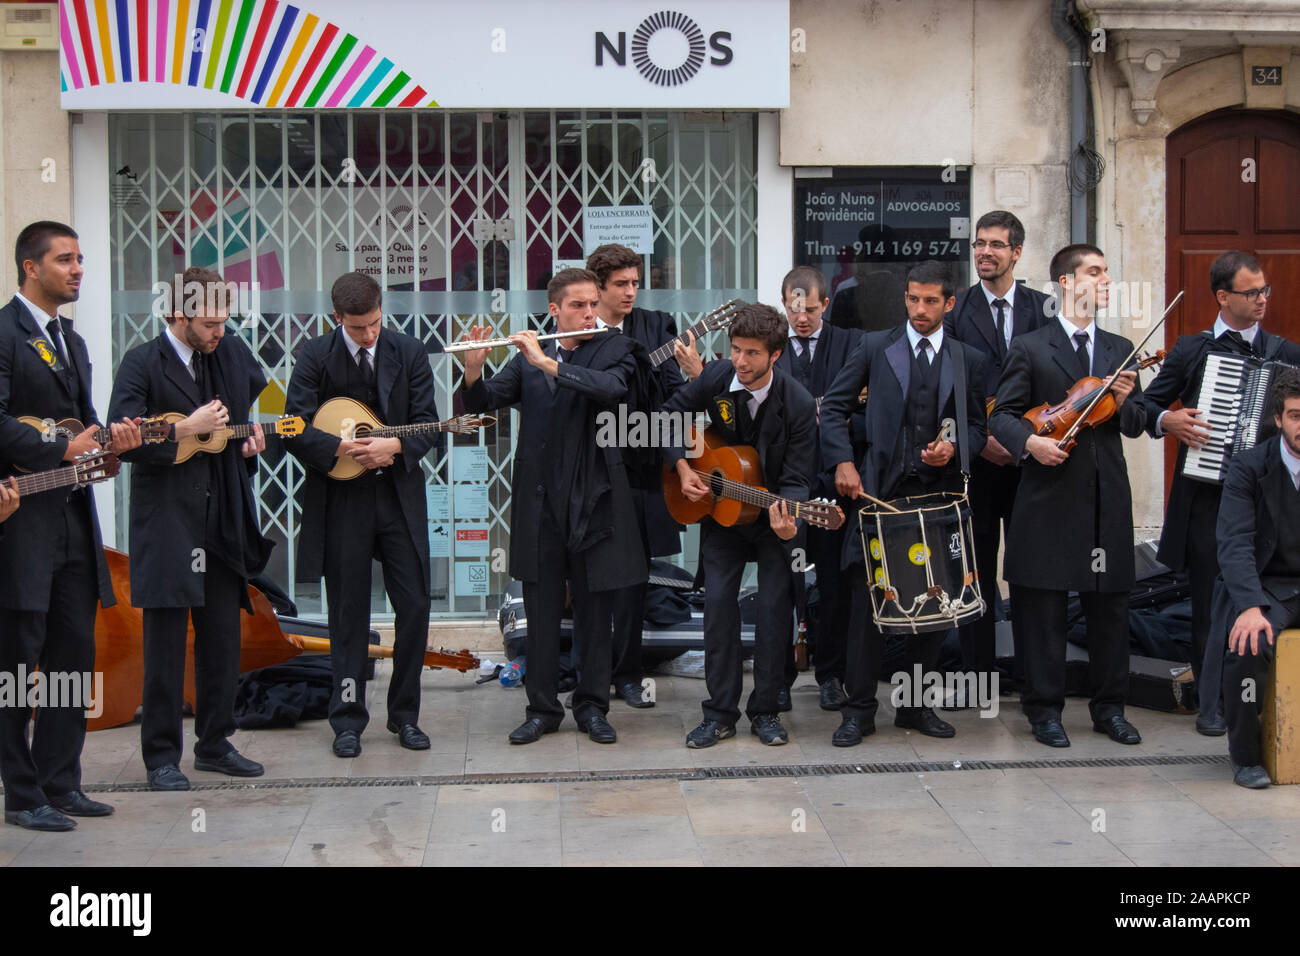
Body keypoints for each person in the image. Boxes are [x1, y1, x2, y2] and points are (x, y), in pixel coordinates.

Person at [457, 268, 646, 744]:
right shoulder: (526, 361)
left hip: (594, 502)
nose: (589, 313)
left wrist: (547, 363)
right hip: (540, 504)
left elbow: (611, 389)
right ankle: (542, 708)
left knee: (593, 613)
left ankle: (592, 706)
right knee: (540, 613)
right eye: (578, 306)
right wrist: (474, 370)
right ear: (554, 310)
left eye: (592, 303)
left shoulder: (615, 348)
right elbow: (485, 405)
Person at [0, 220, 142, 832]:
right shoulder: (3, 334)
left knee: (70, 658)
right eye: (65, 260)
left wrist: (104, 452)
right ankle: (21, 792)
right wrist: (60, 449)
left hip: (73, 524)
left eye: (81, 258)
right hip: (21, 524)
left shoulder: (73, 341)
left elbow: (84, 425)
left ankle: (60, 781)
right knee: (15, 666)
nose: (78, 269)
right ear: (31, 268)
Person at [108, 266, 272, 791]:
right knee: (166, 645)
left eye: (225, 320)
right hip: (168, 523)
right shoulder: (141, 363)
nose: (220, 331)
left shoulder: (229, 353)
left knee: (223, 638)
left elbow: (245, 422)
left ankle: (216, 743)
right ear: (178, 315)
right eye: (209, 323)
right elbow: (122, 440)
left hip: (221, 518)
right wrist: (183, 428)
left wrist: (251, 445)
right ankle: (160, 756)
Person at [820, 260, 987, 746]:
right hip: (879, 495)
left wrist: (955, 447)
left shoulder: (966, 358)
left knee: (934, 608)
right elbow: (833, 408)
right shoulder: (873, 346)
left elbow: (977, 426)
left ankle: (915, 709)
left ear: (948, 303)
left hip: (937, 500)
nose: (919, 308)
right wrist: (842, 464)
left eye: (930, 300)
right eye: (913, 298)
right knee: (867, 609)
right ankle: (858, 712)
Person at [990, 243, 1145, 748]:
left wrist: (1125, 400)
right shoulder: (1031, 347)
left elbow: (1139, 423)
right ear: (1065, 283)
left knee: (1110, 611)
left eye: (1106, 272)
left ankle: (1110, 708)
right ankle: (1044, 711)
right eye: (1094, 272)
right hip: (1048, 497)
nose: (1103, 280)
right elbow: (1001, 417)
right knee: (1042, 610)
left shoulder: (1120, 350)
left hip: (1104, 499)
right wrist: (1031, 443)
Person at [1140, 251, 1300, 736]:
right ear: (1223, 296)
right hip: (1208, 497)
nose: (1262, 300)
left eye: (1265, 291)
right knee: (1211, 600)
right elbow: (1144, 407)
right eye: (1252, 293)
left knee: (1255, 591)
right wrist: (1168, 420)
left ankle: (1258, 697)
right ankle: (1212, 704)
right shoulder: (1191, 350)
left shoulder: (1285, 352)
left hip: (1268, 499)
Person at [284, 271, 441, 758]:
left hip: (398, 498)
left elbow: (429, 423)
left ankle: (405, 716)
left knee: (414, 605)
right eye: (357, 328)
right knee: (347, 613)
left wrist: (395, 445)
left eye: (374, 323)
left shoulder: (409, 352)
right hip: (342, 500)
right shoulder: (313, 355)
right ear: (338, 319)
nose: (369, 334)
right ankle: (347, 720)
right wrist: (342, 449)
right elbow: (292, 423)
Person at [660, 303, 817, 747]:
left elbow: (799, 480)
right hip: (721, 514)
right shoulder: (715, 378)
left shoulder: (800, 405)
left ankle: (766, 710)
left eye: (752, 353)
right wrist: (682, 467)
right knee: (718, 610)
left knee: (772, 613)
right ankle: (719, 713)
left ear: (776, 355)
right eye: (736, 350)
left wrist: (792, 522)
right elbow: (666, 418)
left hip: (773, 520)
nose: (741, 362)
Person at [585, 243, 699, 709]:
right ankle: (584, 669)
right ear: (597, 287)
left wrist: (695, 380)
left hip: (639, 467)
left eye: (636, 282)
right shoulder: (579, 327)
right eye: (621, 284)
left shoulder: (655, 327)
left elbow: (673, 396)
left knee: (635, 575)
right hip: (588, 466)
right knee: (586, 575)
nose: (632, 291)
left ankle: (628, 673)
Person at [946, 211, 1052, 682]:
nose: (984, 252)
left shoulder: (1045, 309)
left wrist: (1025, 438)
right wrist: (980, 439)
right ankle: (978, 675)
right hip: (979, 462)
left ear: (1017, 252)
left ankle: (1034, 678)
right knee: (977, 572)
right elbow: (942, 386)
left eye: (995, 244)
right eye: (978, 244)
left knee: (1031, 573)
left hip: (1034, 460)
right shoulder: (955, 311)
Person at [774, 265, 863, 711]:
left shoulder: (851, 343)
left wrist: (837, 414)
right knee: (784, 583)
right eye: (794, 309)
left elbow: (864, 408)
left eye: (809, 309)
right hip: (785, 484)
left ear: (824, 305)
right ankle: (780, 679)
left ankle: (831, 675)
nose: (801, 318)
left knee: (833, 584)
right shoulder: (772, 348)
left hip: (832, 484)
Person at [1216, 369, 1300, 788]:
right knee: (1250, 645)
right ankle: (1246, 757)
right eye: (1297, 416)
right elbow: (1234, 542)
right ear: (1279, 419)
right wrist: (1249, 606)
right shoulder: (1249, 467)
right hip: (1269, 588)